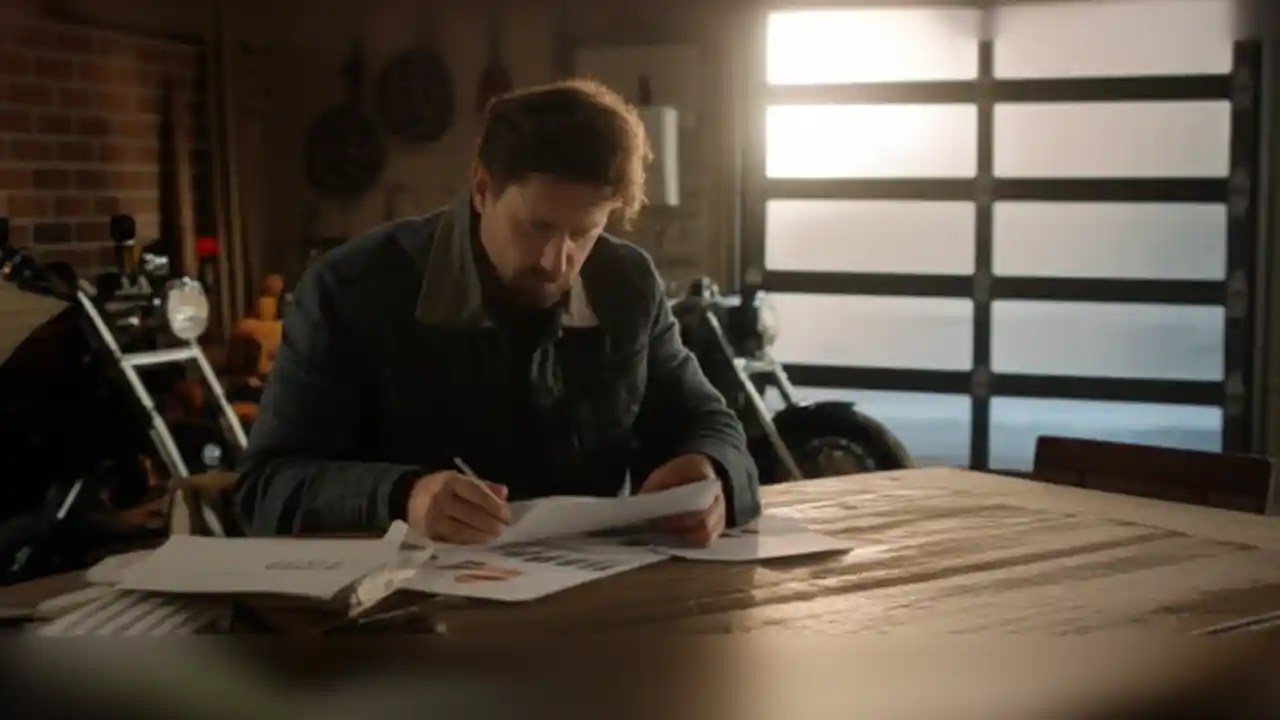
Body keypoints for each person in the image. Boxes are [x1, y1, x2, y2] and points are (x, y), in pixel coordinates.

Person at [234, 79, 761, 546]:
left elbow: (710, 422)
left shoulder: (626, 283)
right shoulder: (351, 289)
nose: (558, 262)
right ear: (483, 189)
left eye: (583, 233)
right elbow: (265, 488)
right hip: (400, 620)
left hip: (585, 608)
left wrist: (712, 474)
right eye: (536, 227)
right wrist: (403, 497)